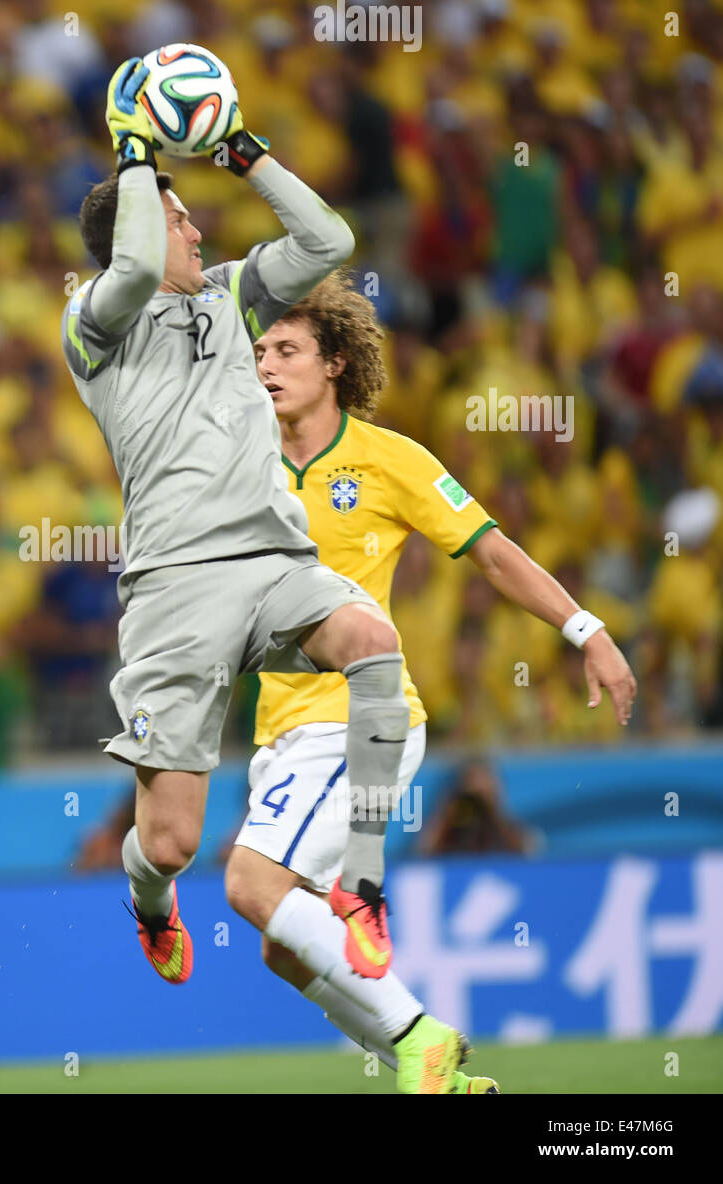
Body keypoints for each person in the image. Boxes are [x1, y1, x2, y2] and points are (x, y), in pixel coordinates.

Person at [61, 59, 418, 1014]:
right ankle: (147, 896)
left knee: (375, 647)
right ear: (139, 226)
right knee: (173, 840)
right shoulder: (94, 321)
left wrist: (240, 150)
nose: (199, 226)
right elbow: (135, 264)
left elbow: (328, 237)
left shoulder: (230, 294)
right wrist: (136, 152)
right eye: (184, 217)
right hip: (175, 588)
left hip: (273, 562)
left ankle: (364, 886)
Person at [224, 271, 636, 1092]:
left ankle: (417, 1039)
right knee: (281, 942)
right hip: (281, 731)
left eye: (288, 350)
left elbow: (490, 550)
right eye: (260, 350)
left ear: (335, 362)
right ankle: (428, 1070)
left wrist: (583, 629)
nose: (266, 363)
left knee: (250, 882)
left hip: (357, 720)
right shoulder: (241, 462)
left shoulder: (389, 460)